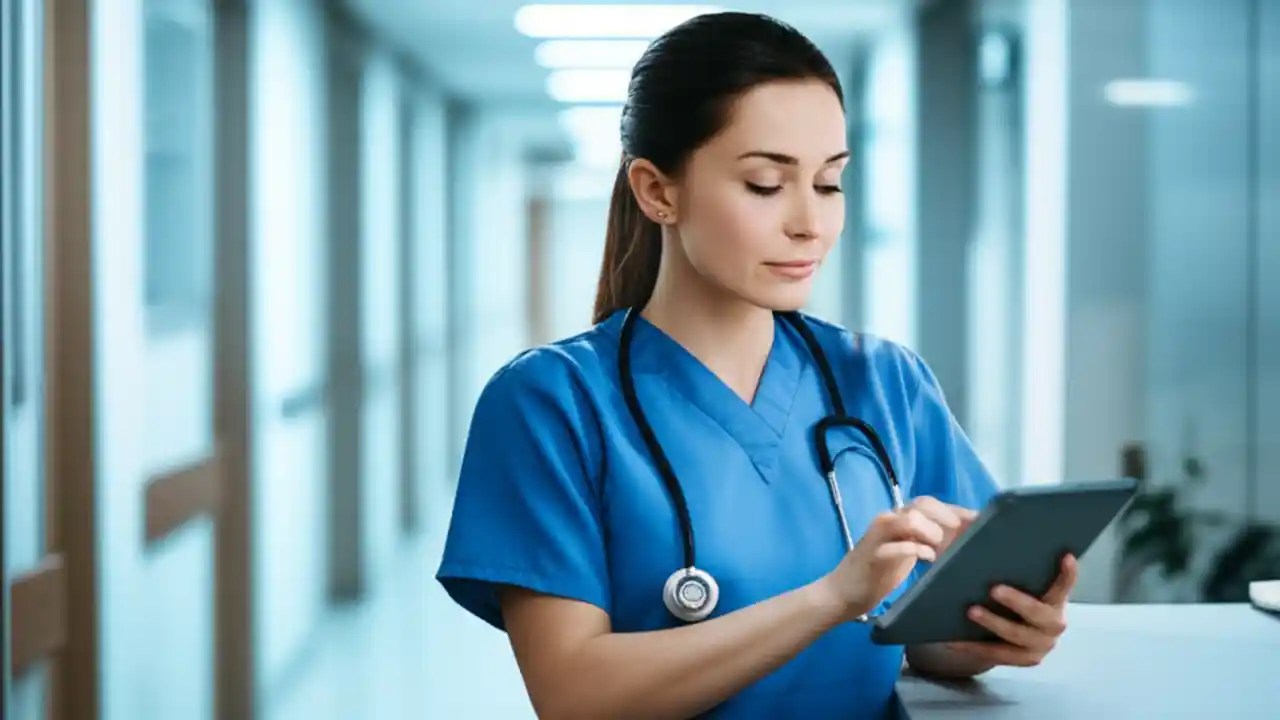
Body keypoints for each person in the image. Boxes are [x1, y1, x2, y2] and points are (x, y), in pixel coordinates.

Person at [436, 11, 1076, 719]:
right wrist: (832, 597)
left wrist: (994, 632)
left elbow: (916, 636)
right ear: (657, 191)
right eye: (767, 184)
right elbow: (575, 692)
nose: (809, 221)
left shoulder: (883, 381)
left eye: (829, 183)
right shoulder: (550, 403)